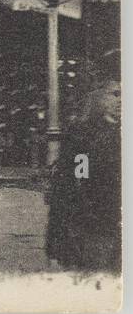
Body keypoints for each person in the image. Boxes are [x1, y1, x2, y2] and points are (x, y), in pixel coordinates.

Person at [46, 50, 121, 272]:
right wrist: (57, 243)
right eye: (114, 94)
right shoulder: (83, 137)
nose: (122, 101)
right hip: (99, 235)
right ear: (95, 95)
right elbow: (72, 188)